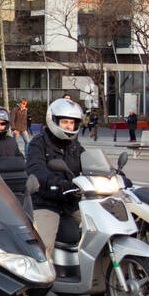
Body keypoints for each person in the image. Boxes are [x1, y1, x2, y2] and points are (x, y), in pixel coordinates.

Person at [25, 97, 87, 256]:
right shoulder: (38, 143)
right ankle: (43, 278)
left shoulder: (75, 146)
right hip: (46, 202)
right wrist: (57, 184)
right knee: (43, 246)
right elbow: (36, 169)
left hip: (71, 201)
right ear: (54, 121)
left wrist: (112, 174)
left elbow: (89, 163)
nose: (69, 126)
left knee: (101, 226)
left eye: (72, 123)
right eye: (65, 121)